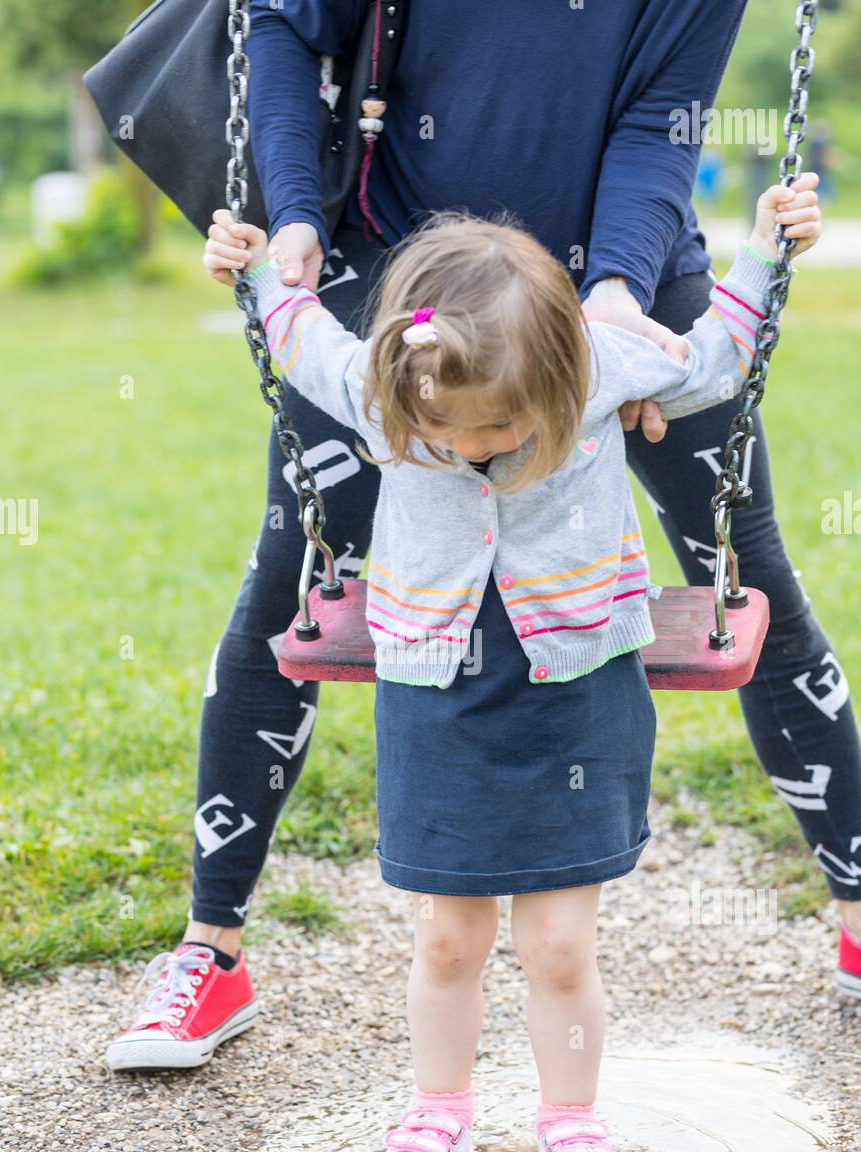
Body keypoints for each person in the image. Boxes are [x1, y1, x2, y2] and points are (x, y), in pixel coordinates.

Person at [105, 1, 861, 1074]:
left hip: (617, 276)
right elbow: (279, 23)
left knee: (745, 573)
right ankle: (210, 946)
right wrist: (286, 222)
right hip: (409, 289)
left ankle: (857, 904)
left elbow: (660, 116)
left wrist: (606, 315)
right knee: (296, 576)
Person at [189, 175, 819, 1152]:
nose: (473, 452)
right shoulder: (394, 382)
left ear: (560, 379)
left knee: (560, 942)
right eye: (449, 437)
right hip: (435, 695)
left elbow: (712, 354)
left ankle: (570, 1124)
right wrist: (252, 269)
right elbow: (301, 338)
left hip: (578, 691)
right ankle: (436, 1111)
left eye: (501, 433)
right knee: (447, 935)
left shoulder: (592, 365)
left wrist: (760, 248)